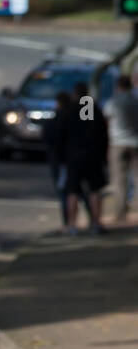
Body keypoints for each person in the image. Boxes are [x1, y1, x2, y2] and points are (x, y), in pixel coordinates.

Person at [58, 81, 107, 234]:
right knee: (94, 190)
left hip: (74, 156)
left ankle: (72, 225)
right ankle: (96, 223)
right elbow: (102, 133)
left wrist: (62, 156)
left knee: (72, 191)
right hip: (92, 155)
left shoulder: (69, 109)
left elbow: (61, 133)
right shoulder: (93, 108)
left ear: (75, 93)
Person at [104, 72, 138, 224]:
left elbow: (107, 121)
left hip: (117, 143)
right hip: (135, 142)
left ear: (118, 86)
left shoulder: (113, 102)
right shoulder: (135, 101)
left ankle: (120, 211)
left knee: (119, 180)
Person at [41, 91, 72, 231]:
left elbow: (46, 136)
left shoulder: (56, 118)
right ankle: (84, 221)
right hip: (72, 158)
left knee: (64, 192)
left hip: (59, 160)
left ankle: (68, 223)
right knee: (77, 192)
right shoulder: (74, 116)